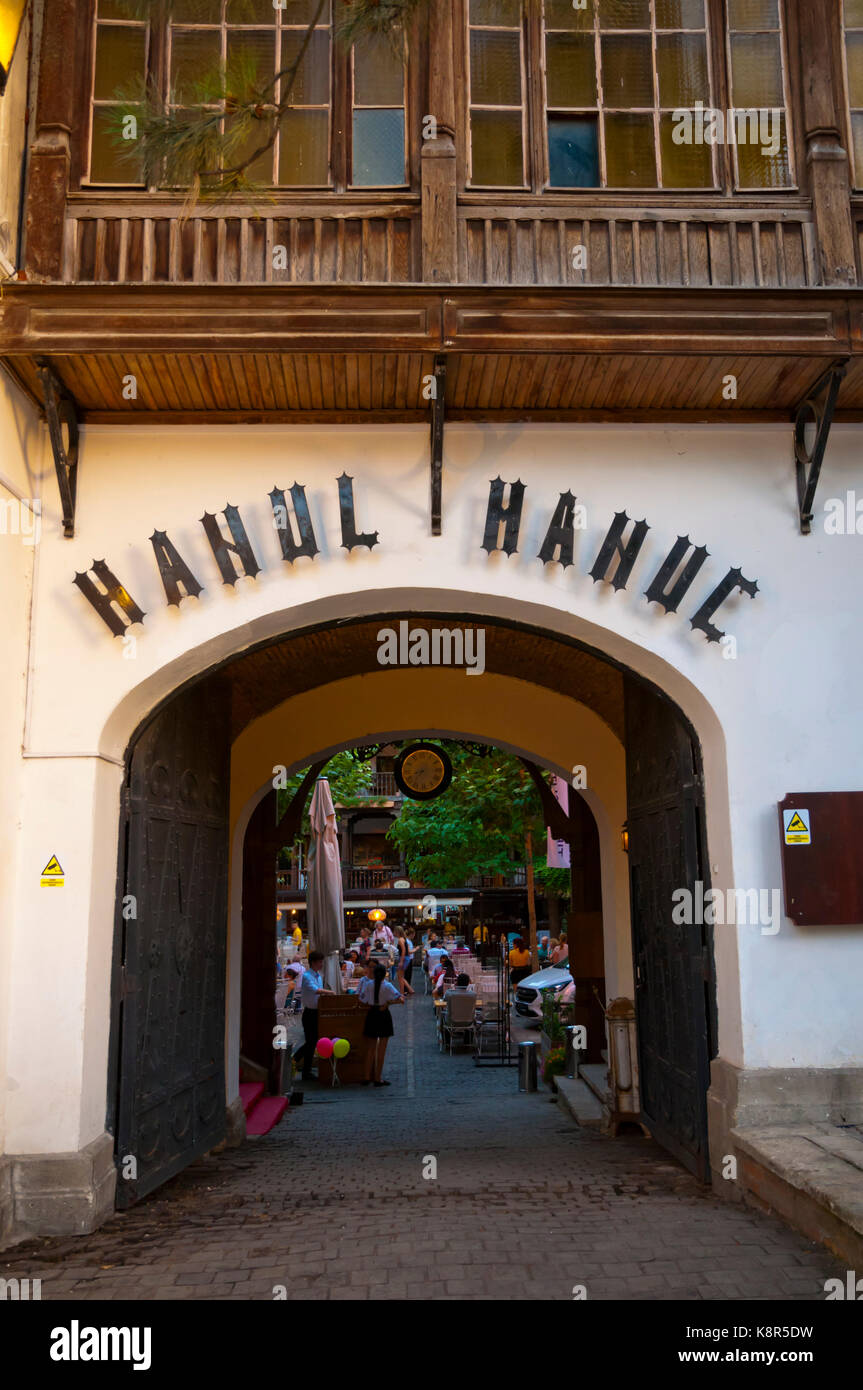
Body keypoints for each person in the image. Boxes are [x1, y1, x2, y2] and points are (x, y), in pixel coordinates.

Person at [358, 960, 403, 1086]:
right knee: (381, 1050)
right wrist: (388, 1003)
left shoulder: (368, 985)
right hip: (383, 1015)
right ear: (384, 974)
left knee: (370, 1049)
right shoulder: (388, 986)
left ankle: (367, 1076)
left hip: (372, 1013)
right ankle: (378, 1078)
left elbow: (361, 1000)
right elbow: (400, 999)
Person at [299, 951, 335, 1080]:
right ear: (313, 962)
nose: (321, 964)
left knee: (312, 1041)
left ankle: (298, 1060)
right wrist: (330, 992)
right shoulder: (307, 976)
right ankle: (305, 1070)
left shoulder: (318, 976)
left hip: (317, 1012)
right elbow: (316, 990)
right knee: (311, 1041)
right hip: (310, 1013)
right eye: (320, 962)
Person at [395, 930, 415, 998]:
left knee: (400, 976)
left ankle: (402, 993)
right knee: (401, 976)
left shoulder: (400, 940)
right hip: (406, 958)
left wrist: (401, 961)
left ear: (397, 932)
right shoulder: (403, 939)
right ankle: (409, 989)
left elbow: (403, 950)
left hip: (403, 958)